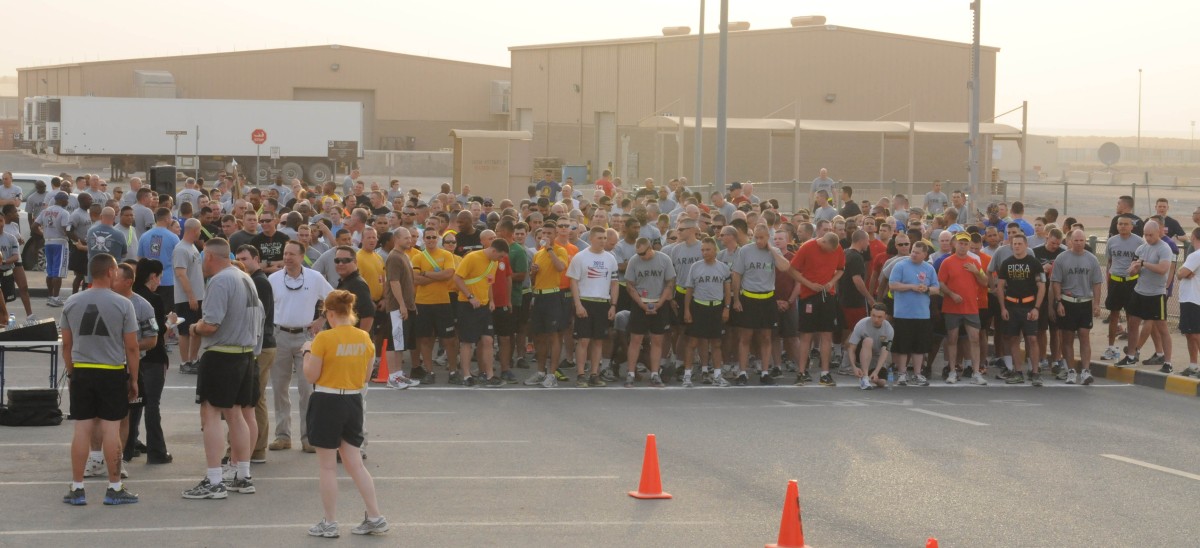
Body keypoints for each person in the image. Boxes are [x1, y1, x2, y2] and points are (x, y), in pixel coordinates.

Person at [301, 290, 390, 537]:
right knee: (355, 464)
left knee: (327, 467)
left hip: (327, 400)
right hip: (353, 400)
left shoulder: (324, 338)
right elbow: (366, 376)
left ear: (329, 313)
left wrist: (307, 352)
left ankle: (330, 522)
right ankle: (375, 516)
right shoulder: (364, 337)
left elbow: (311, 375)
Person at [182, 238, 264, 500]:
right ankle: (242, 474)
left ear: (209, 256)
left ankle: (215, 480)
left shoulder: (220, 281)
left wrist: (194, 328)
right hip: (245, 354)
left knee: (211, 414)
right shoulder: (245, 277)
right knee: (236, 415)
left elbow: (211, 325)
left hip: (222, 354)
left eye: (202, 258)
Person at [60, 253, 141, 506]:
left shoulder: (72, 301)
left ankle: (77, 488)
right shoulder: (123, 304)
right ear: (110, 272)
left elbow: (67, 345)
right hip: (111, 371)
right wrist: (134, 379)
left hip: (82, 369)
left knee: (82, 429)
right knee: (111, 429)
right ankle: (114, 487)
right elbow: (132, 347)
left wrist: (71, 372)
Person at [268, 241, 334, 453]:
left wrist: (322, 319)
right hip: (280, 335)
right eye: (285, 254)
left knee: (307, 389)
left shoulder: (314, 277)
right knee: (279, 388)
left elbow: (334, 299)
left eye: (292, 254)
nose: (287, 258)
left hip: (305, 337)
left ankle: (308, 437)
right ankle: (282, 436)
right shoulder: (274, 279)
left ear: (301, 256)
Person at [732, 225, 792, 386]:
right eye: (756, 237)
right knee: (746, 337)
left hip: (767, 298)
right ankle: (742, 372)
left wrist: (771, 249)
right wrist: (736, 299)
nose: (758, 241)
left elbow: (785, 267)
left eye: (762, 238)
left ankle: (765, 372)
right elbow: (736, 275)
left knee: (766, 336)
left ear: (768, 237)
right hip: (749, 297)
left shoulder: (774, 251)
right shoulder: (745, 250)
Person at [233, 245, 275, 464]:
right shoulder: (253, 280)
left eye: (245, 258)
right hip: (260, 343)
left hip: (261, 345)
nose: (241, 262)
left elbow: (259, 316)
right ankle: (253, 448)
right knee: (254, 398)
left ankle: (255, 448)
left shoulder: (258, 282)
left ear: (256, 259)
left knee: (253, 399)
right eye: (238, 258)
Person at [1117, 220, 1174, 373]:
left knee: (1162, 328)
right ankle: (1131, 356)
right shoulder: (1141, 248)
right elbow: (1132, 271)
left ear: (1158, 232)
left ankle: (1168, 363)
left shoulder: (1164, 248)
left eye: (1151, 235)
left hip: (1156, 294)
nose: (1148, 238)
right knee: (1133, 323)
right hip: (1139, 292)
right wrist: (1133, 269)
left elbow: (1163, 269)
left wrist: (1143, 264)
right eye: (1146, 235)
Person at [790, 232, 844, 386]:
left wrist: (831, 282)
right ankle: (802, 372)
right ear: (823, 242)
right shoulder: (807, 247)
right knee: (806, 335)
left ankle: (825, 373)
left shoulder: (838, 248)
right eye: (828, 250)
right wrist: (809, 284)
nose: (830, 253)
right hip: (809, 295)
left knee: (826, 334)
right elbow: (792, 269)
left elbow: (841, 269)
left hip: (827, 295)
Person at [567, 226, 619, 387]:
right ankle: (581, 374)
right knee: (583, 340)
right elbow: (573, 282)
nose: (603, 241)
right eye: (599, 238)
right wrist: (578, 305)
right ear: (591, 239)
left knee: (598, 341)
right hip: (585, 301)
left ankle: (594, 374)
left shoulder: (610, 258)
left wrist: (613, 305)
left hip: (602, 303)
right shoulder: (580, 257)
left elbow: (614, 283)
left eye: (605, 238)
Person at [452, 240, 508, 386]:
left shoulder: (494, 263)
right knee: (467, 341)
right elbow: (457, 278)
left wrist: (491, 301)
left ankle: (489, 375)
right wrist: (470, 297)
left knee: (488, 340)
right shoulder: (472, 257)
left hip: (484, 306)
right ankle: (466, 375)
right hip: (467, 305)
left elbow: (489, 283)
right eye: (500, 256)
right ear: (494, 251)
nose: (501, 259)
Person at [1050, 229, 1103, 385]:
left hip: (1084, 302)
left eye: (1081, 240)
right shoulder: (1061, 258)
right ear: (1070, 241)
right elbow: (1056, 282)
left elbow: (1097, 283)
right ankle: (1071, 370)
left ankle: (1086, 371)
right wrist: (1058, 302)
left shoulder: (1092, 259)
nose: (1079, 243)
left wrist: (1096, 304)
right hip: (1067, 302)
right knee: (1067, 338)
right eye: (1076, 240)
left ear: (1085, 241)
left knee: (1084, 336)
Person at [623, 237, 675, 387]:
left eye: (643, 253)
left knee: (657, 340)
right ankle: (631, 373)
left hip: (659, 302)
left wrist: (659, 303)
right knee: (635, 339)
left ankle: (655, 373)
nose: (640, 256)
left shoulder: (664, 259)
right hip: (640, 303)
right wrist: (641, 304)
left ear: (650, 248)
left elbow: (669, 283)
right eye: (638, 253)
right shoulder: (634, 261)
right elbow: (630, 285)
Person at [938, 232, 989, 385]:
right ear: (955, 244)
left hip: (971, 307)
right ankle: (952, 371)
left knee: (975, 339)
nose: (963, 246)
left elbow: (985, 282)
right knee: (952, 339)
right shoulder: (947, 262)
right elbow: (940, 283)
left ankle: (976, 372)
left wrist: (976, 271)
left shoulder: (974, 262)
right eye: (961, 243)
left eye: (966, 243)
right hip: (952, 307)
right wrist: (952, 294)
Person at [411, 227, 460, 384]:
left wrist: (426, 273)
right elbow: (415, 279)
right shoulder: (418, 257)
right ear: (424, 239)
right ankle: (429, 372)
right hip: (423, 303)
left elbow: (449, 274)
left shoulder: (446, 255)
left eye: (433, 237)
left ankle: (453, 371)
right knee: (425, 339)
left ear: (437, 239)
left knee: (449, 340)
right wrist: (438, 276)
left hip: (443, 303)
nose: (431, 240)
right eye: (428, 237)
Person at [681, 236, 731, 387]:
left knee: (716, 343)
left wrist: (726, 308)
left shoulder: (723, 268)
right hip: (699, 307)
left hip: (716, 308)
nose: (704, 253)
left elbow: (727, 290)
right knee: (692, 342)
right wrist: (687, 310)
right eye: (702, 250)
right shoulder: (695, 267)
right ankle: (687, 376)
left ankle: (717, 375)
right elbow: (689, 290)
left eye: (708, 250)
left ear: (715, 250)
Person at [997, 234, 1046, 385]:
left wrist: (1036, 308)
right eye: (1014, 244)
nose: (1017, 246)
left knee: (1032, 339)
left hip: (1029, 307)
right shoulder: (1006, 263)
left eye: (1020, 243)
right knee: (1013, 339)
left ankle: (1035, 373)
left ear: (1026, 245)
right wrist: (1003, 308)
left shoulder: (1034, 263)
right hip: (1011, 307)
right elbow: (1000, 287)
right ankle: (1018, 372)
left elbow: (1041, 286)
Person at [889, 241, 939, 386]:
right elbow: (892, 285)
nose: (914, 254)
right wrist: (911, 286)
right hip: (903, 313)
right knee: (903, 346)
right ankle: (902, 374)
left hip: (922, 314)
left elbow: (936, 288)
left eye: (917, 253)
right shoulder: (900, 265)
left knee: (919, 347)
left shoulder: (929, 268)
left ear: (925, 254)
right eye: (913, 251)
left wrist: (927, 289)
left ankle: (917, 374)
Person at [1102, 217, 1145, 361]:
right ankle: (1111, 348)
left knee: (1131, 317)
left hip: (1132, 282)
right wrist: (1108, 280)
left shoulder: (1139, 242)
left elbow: (1142, 263)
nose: (1123, 226)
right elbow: (1109, 262)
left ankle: (1132, 350)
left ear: (1132, 226)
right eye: (1120, 224)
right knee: (1114, 314)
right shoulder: (1111, 241)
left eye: (1126, 224)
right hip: (1115, 281)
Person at [174, 219, 205, 374]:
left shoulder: (192, 247)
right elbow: (181, 274)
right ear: (194, 230)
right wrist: (190, 296)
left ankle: (193, 359)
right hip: (185, 298)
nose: (200, 233)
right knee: (185, 331)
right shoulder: (181, 249)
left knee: (197, 329)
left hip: (198, 295)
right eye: (199, 230)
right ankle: (185, 362)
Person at [847, 304, 894, 389]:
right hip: (861, 352)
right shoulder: (861, 324)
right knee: (868, 340)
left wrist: (876, 371)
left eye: (879, 317)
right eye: (873, 315)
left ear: (885, 317)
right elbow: (851, 348)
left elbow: (885, 351)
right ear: (870, 313)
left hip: (876, 355)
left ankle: (870, 375)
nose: (876, 319)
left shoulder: (889, 330)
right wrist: (853, 367)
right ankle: (865, 378)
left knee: (882, 382)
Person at [37, 191, 72, 307]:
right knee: (58, 272)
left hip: (48, 242)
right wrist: (73, 238)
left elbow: (34, 226)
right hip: (60, 242)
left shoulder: (45, 211)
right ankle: (55, 298)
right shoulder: (64, 212)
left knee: (50, 271)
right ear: (61, 200)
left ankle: (50, 296)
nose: (67, 202)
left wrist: (43, 233)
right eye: (66, 199)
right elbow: (66, 229)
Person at [1175, 228, 1200, 378]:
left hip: (1192, 298)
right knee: (1190, 333)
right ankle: (1193, 366)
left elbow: (1180, 273)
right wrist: (1184, 272)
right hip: (1191, 298)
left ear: (1193, 237)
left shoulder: (1196, 255)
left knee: (1195, 334)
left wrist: (1182, 272)